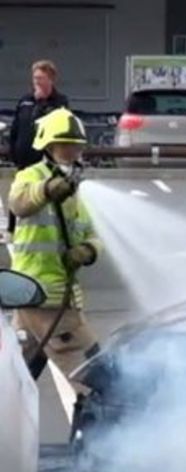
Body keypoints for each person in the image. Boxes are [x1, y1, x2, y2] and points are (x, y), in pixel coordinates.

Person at [7, 107, 102, 394]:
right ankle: (98, 437)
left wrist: (87, 250)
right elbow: (18, 203)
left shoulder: (74, 191)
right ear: (49, 146)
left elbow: (90, 232)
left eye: (76, 146)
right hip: (47, 300)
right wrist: (47, 190)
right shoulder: (30, 176)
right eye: (66, 145)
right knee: (98, 381)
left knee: (13, 380)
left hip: (35, 299)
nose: (73, 152)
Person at [8, 60, 70, 170]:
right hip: (23, 161)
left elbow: (62, 129)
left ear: (51, 79)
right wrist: (13, 154)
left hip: (47, 161)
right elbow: (15, 128)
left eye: (40, 78)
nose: (36, 82)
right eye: (34, 78)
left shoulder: (60, 102)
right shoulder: (25, 100)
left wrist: (41, 103)